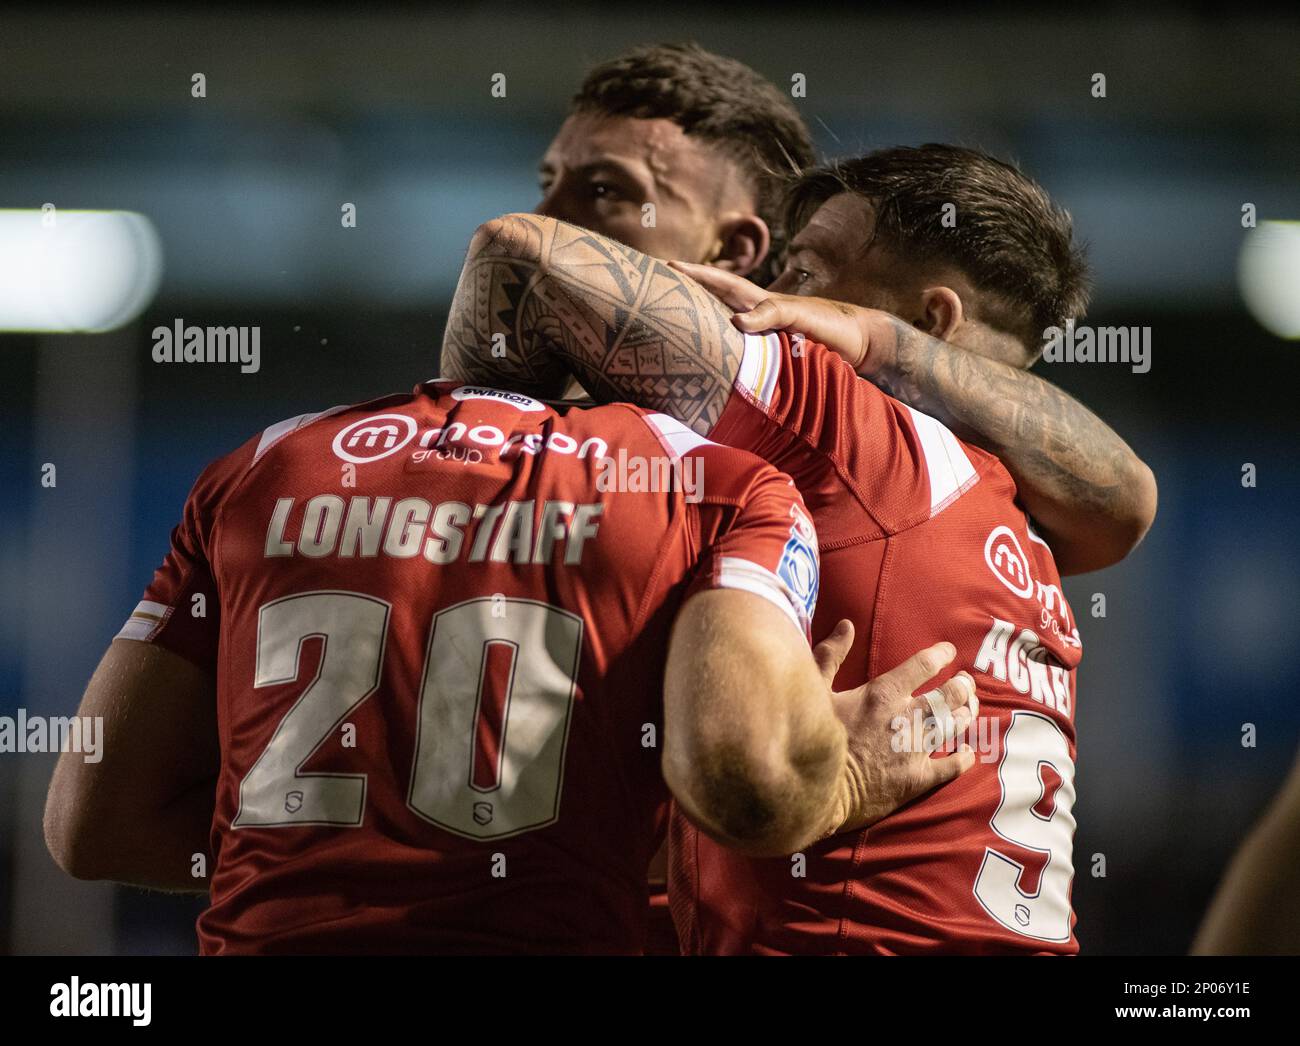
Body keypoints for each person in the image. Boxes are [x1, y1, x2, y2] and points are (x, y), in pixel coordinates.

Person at [439, 140, 1149, 951]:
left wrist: (471, 469)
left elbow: (519, 259)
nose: (770, 294)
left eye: (804, 272)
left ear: (926, 320)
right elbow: (1130, 498)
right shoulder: (1029, 529)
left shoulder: (858, 436)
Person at [43, 374, 976, 954]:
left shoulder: (273, 459)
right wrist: (842, 778)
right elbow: (745, 777)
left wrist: (351, 848)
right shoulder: (708, 481)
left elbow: (92, 824)